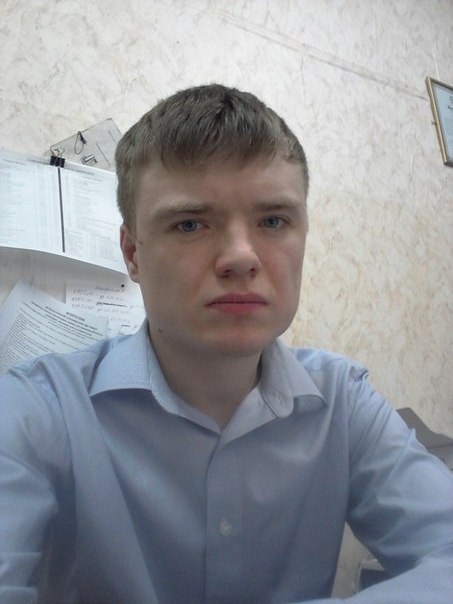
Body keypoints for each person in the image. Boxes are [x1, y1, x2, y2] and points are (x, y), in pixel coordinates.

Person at [0, 84, 452, 604]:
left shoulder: (343, 402)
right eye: (190, 223)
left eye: (273, 221)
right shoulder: (37, 411)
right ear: (132, 254)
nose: (240, 257)